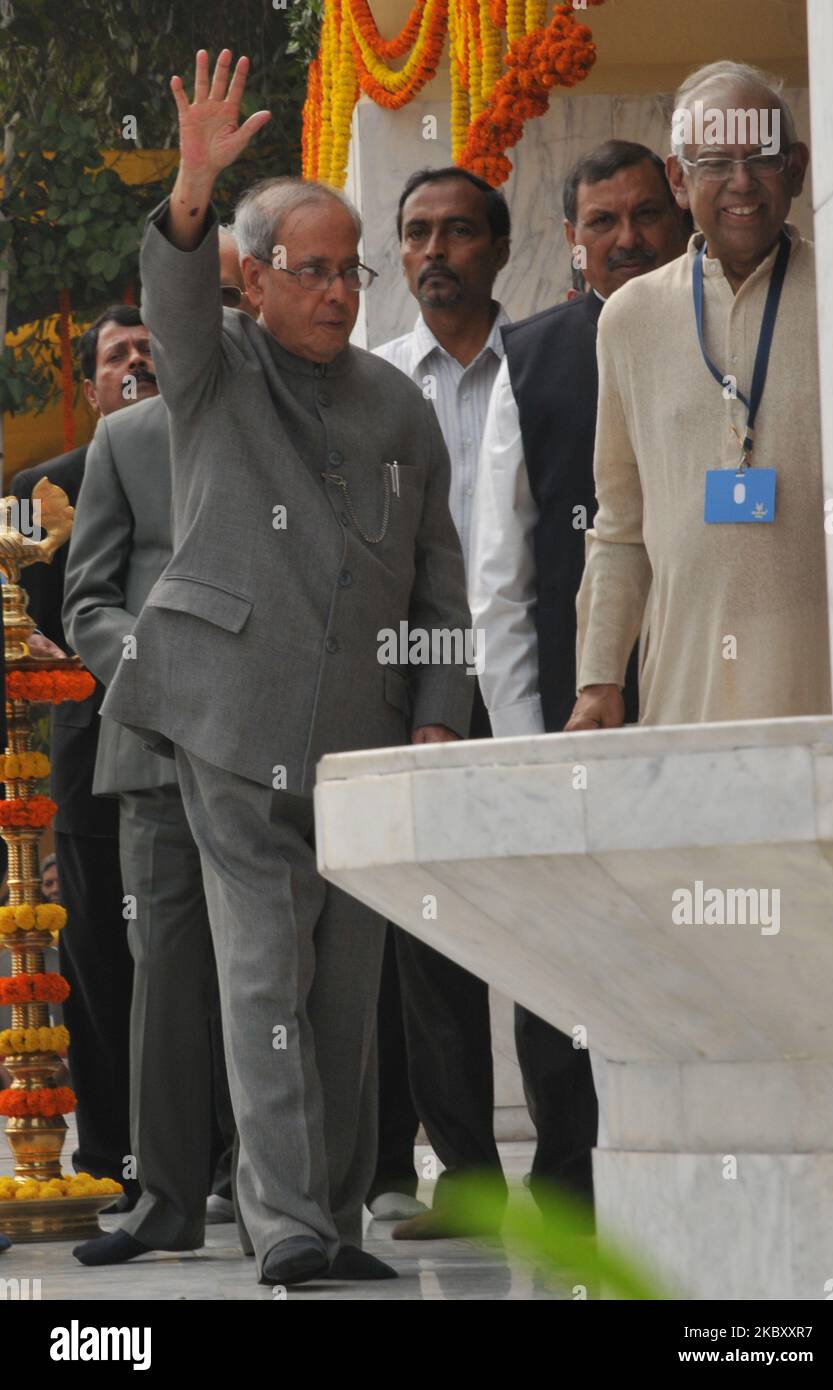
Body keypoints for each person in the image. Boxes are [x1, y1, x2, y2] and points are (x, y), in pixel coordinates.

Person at [100, 49, 473, 1287]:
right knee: (265, 966)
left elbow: (439, 578)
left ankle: (335, 1222)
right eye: (309, 270)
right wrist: (190, 192)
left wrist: (434, 709)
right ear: (252, 279)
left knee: (344, 988)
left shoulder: (395, 405)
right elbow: (170, 292)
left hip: (362, 730)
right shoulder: (214, 367)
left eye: (348, 269)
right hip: (231, 718)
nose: (336, 292)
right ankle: (290, 1227)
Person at [469, 140, 690, 1211]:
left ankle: (686, 1177)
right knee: (568, 960)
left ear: (679, 213)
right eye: (601, 222)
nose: (626, 239)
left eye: (645, 214)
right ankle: (568, 1191)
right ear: (568, 239)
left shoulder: (721, 331)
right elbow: (499, 579)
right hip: (572, 716)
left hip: (699, 702)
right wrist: (523, 746)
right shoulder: (530, 357)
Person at [62, 236, 254, 1268]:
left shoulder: (291, 417)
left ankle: (289, 1200)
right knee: (166, 976)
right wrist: (158, 667)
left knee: (278, 975)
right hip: (157, 749)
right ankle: (165, 1199)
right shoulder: (125, 440)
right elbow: (88, 598)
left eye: (223, 296)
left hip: (274, 748)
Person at [567, 62, 829, 734]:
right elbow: (620, 527)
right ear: (679, 180)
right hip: (687, 704)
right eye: (714, 162)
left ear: (796, 169)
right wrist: (598, 680)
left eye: (761, 157)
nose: (740, 182)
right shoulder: (629, 318)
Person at [371, 166, 512, 1236]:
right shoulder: (372, 382)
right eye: (416, 232)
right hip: (418, 679)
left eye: (457, 231)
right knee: (429, 941)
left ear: (497, 247)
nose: (434, 251)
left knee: (563, 919)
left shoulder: (546, 362)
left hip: (532, 676)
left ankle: (575, 1173)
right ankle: (465, 1176)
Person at [10, 304, 158, 1209]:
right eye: (116, 355)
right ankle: (112, 1161)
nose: (135, 361)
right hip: (84, 760)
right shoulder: (41, 491)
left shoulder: (201, 467)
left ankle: (216, 1159)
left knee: (191, 966)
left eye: (148, 347)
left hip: (187, 754)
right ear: (92, 387)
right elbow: (21, 636)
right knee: (99, 967)